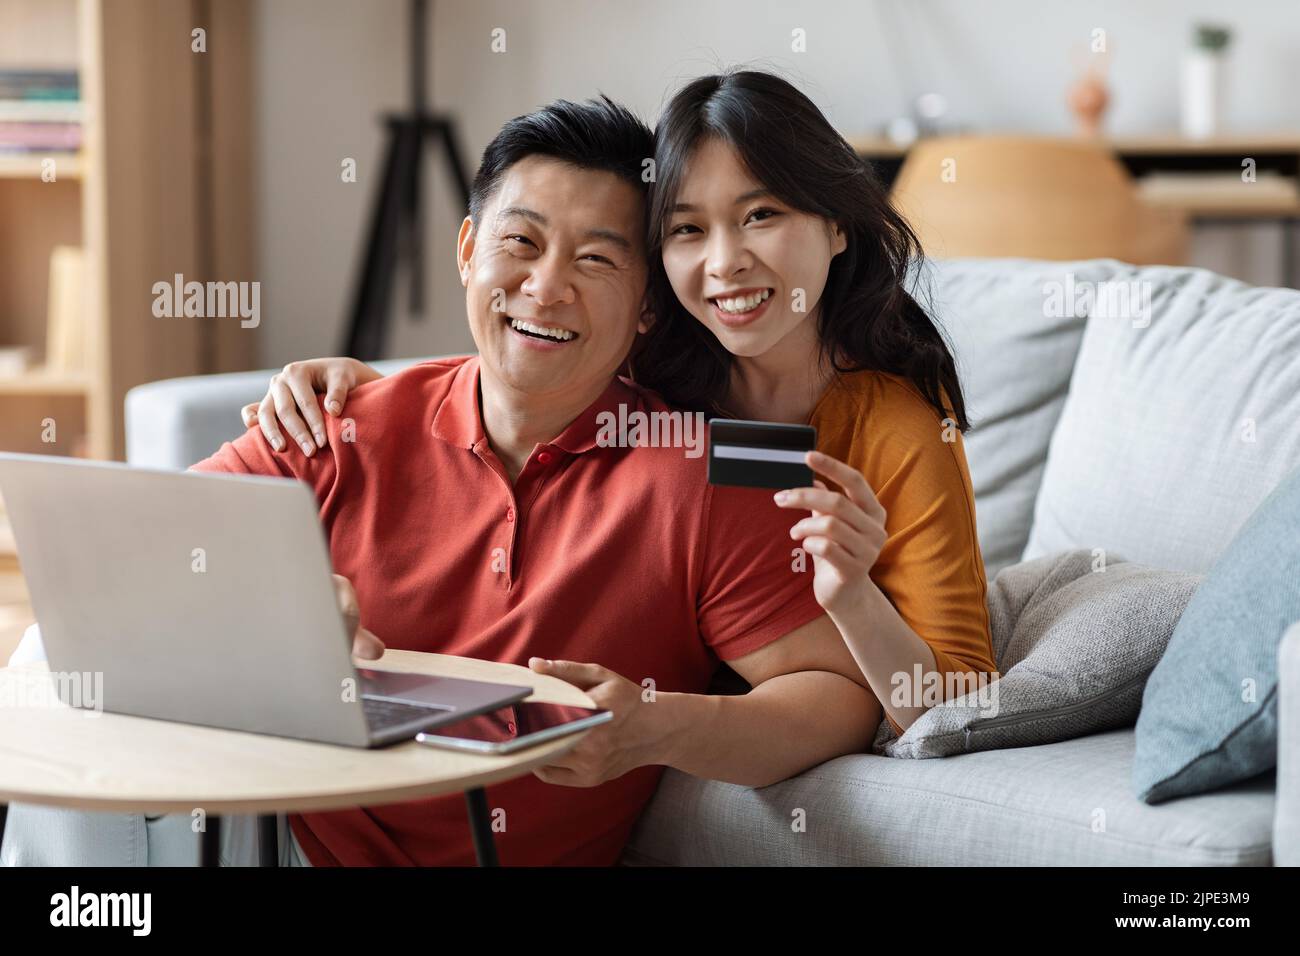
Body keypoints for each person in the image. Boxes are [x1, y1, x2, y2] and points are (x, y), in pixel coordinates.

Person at [2, 94, 881, 867]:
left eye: (596, 261)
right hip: (269, 837)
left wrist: (652, 729)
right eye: (520, 243)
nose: (545, 288)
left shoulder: (699, 473)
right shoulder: (335, 423)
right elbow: (130, 573)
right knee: (50, 654)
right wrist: (275, 617)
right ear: (467, 250)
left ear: (649, 302)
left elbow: (837, 697)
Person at [248, 70, 999, 742]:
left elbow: (956, 700)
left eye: (761, 214)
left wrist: (850, 593)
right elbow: (523, 368)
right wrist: (371, 390)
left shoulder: (897, 427)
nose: (724, 260)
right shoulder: (661, 366)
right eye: (686, 229)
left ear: (837, 224)